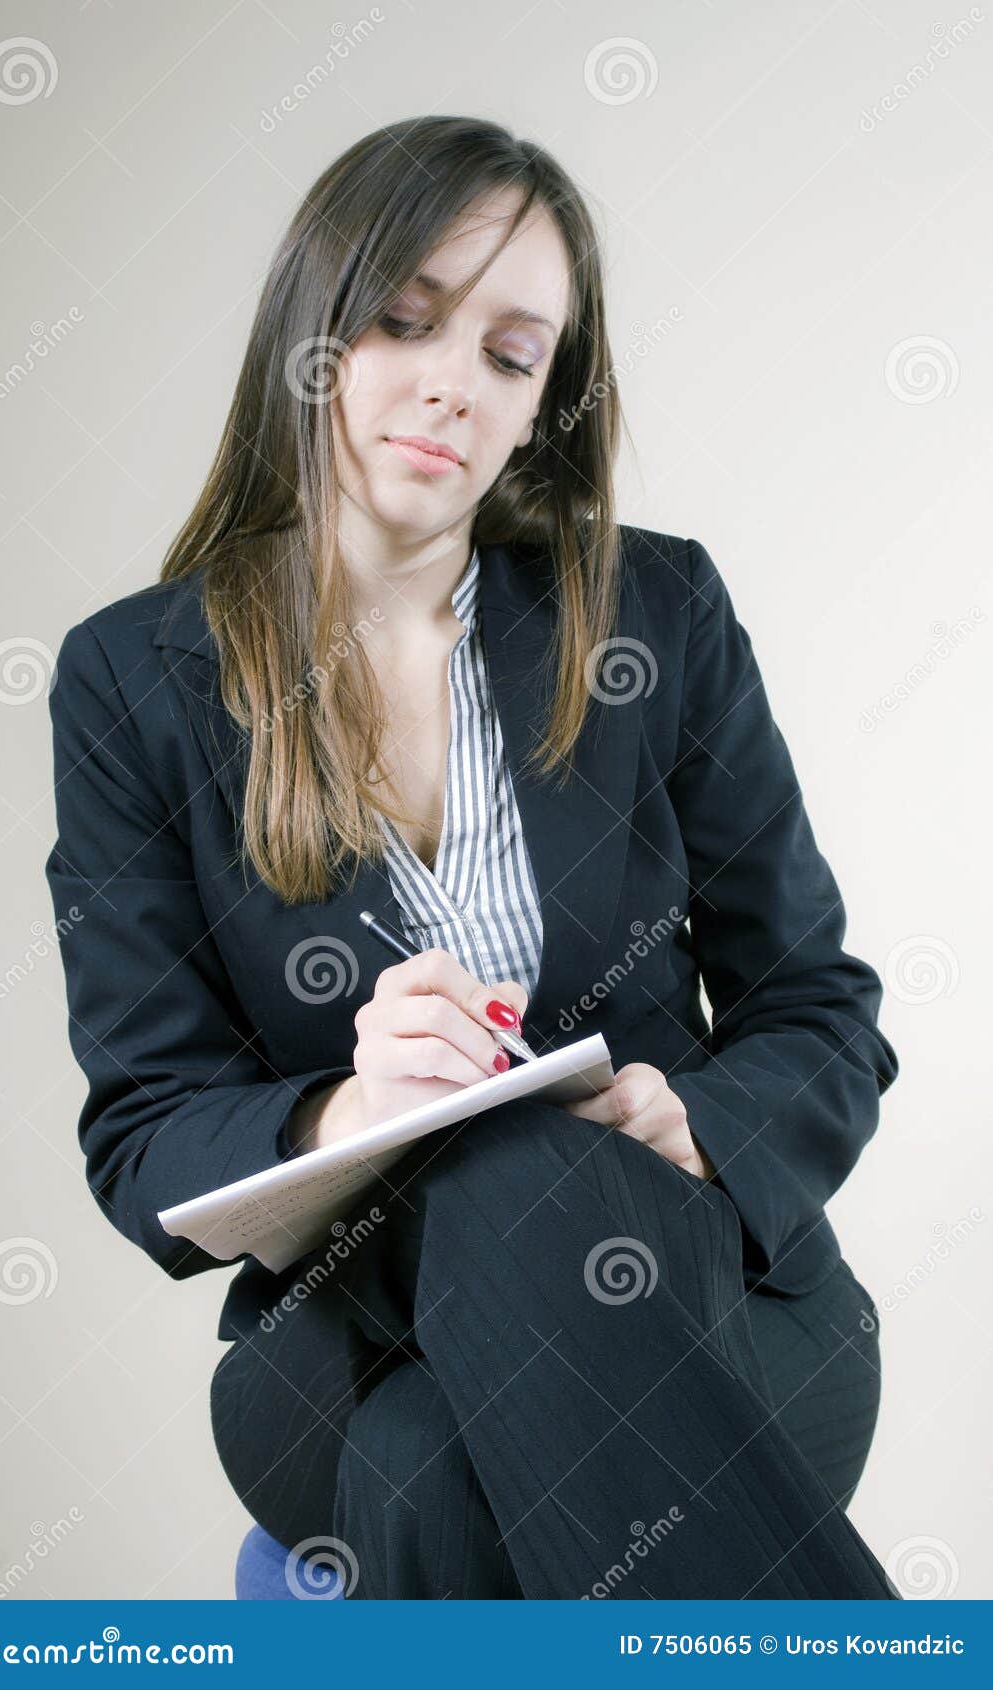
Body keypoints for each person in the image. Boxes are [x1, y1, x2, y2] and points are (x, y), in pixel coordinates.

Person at [44, 115, 900, 1600]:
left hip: (712, 1298)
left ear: (541, 409)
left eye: (511, 356)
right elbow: (145, 1131)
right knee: (502, 1176)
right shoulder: (135, 680)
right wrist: (345, 1108)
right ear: (315, 329)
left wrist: (690, 1121)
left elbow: (820, 1012)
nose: (452, 382)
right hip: (344, 1334)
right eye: (405, 319)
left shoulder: (656, 615)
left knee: (430, 1470)